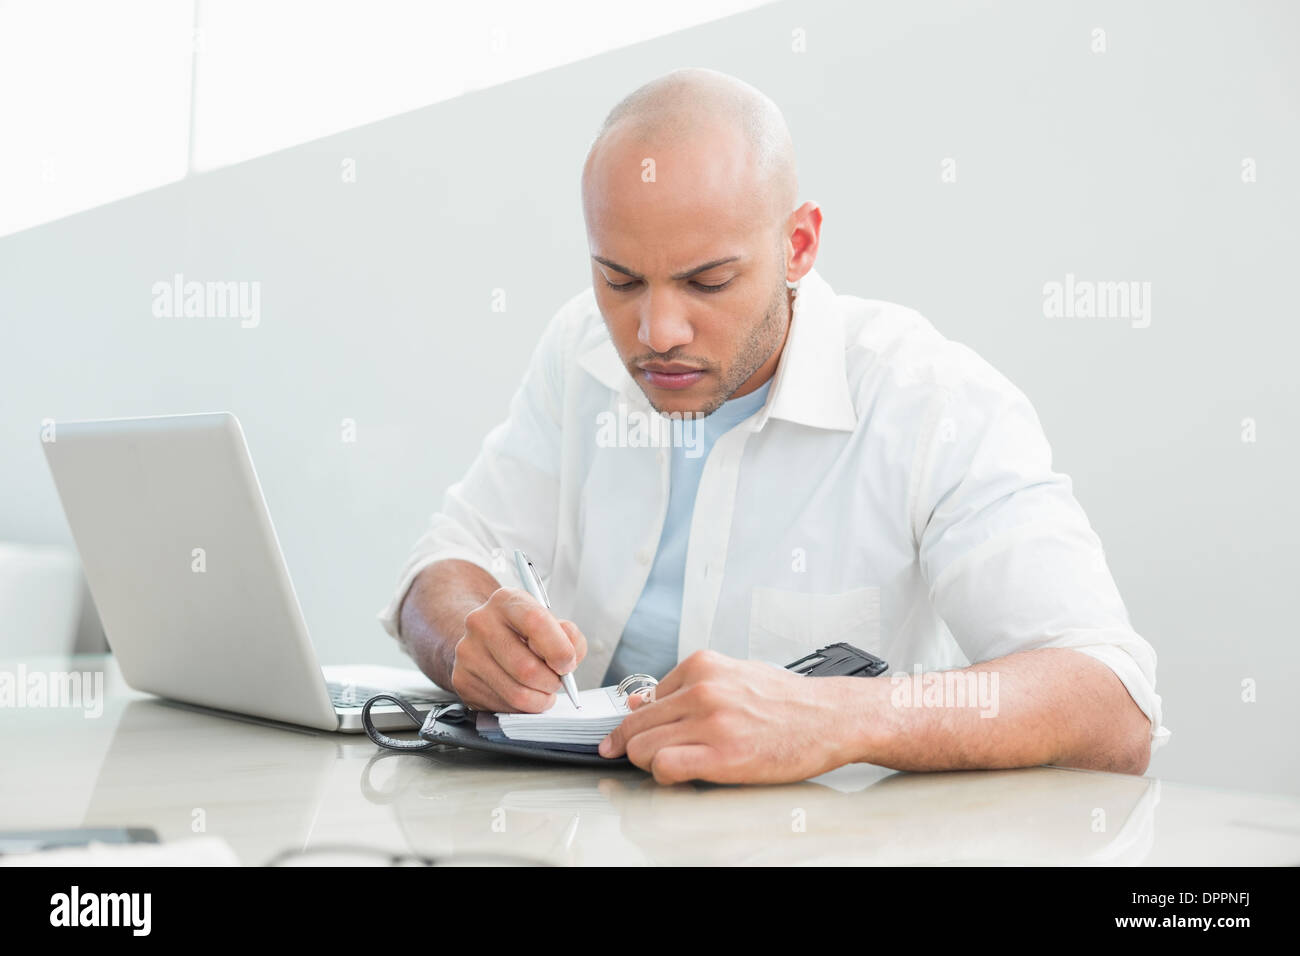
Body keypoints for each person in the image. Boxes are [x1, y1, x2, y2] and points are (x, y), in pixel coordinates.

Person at [379, 67, 1169, 784]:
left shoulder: (934, 402)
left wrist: (838, 718)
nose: (656, 331)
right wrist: (463, 641)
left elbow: (1111, 701)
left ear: (798, 245)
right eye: (619, 280)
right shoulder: (579, 354)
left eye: (708, 281)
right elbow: (445, 563)